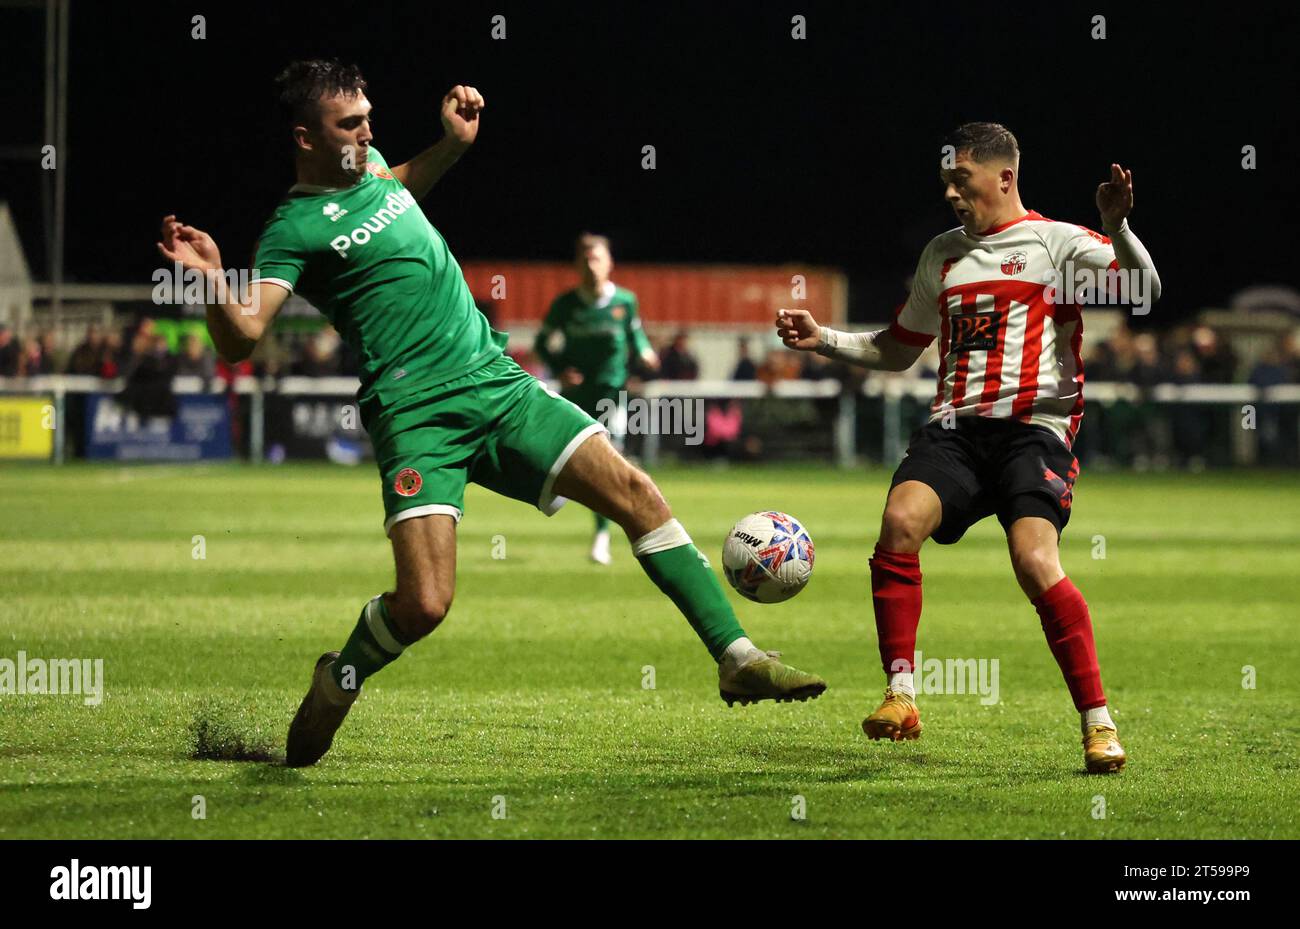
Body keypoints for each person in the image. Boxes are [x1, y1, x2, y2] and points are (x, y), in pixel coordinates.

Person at [157, 59, 825, 767]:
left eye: (368, 115)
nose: (367, 129)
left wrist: (452, 145)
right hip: (417, 415)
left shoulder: (374, 166)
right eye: (349, 124)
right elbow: (242, 337)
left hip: (496, 382)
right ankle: (339, 675)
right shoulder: (291, 229)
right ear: (306, 138)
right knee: (424, 605)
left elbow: (400, 184)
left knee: (638, 493)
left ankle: (735, 655)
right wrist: (208, 280)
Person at [777, 122, 1161, 774]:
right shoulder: (943, 255)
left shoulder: (1056, 243)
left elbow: (1144, 292)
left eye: (963, 179)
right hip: (956, 429)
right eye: (947, 181)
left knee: (1034, 560)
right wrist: (824, 341)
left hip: (1034, 428)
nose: (953, 192)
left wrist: (1119, 228)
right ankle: (901, 696)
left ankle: (1098, 724)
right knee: (899, 522)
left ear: (1003, 176)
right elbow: (899, 348)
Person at [534, 233, 659, 564]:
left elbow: (635, 334)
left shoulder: (625, 302)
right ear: (578, 264)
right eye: (586, 259)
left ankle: (604, 534)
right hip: (577, 394)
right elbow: (543, 343)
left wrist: (645, 352)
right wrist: (560, 369)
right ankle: (569, 493)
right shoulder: (565, 305)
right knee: (581, 463)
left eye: (598, 259)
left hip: (612, 392)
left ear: (609, 263)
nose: (592, 266)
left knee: (607, 457)